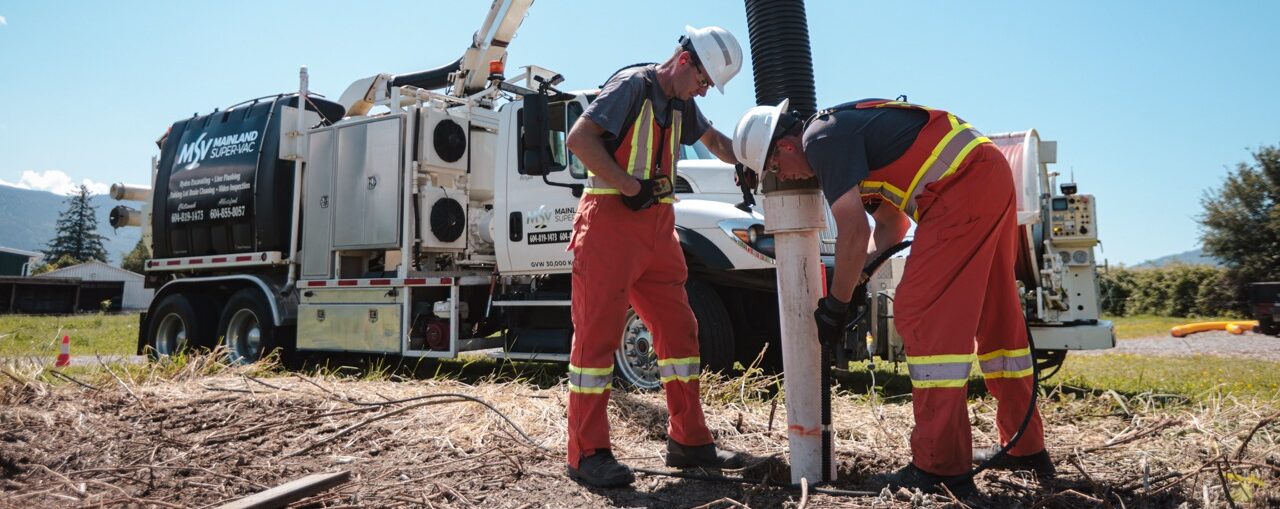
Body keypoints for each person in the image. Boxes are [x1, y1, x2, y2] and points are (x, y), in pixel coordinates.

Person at [731, 98, 1054, 496]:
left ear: (784, 146)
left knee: (922, 315)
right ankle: (1026, 448)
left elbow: (852, 232)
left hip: (960, 187)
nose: (787, 175)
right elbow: (890, 221)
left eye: (776, 169)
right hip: (985, 172)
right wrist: (862, 272)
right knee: (997, 314)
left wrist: (836, 304)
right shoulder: (845, 136)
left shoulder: (821, 140)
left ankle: (939, 467)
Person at [561, 26, 747, 488]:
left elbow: (716, 141)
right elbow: (579, 139)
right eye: (704, 81)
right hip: (610, 223)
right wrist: (628, 185)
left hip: (658, 228)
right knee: (596, 341)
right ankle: (587, 453)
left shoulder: (682, 102)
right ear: (685, 62)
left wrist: (750, 160)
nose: (704, 91)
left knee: (681, 333)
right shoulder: (632, 86)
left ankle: (689, 441)